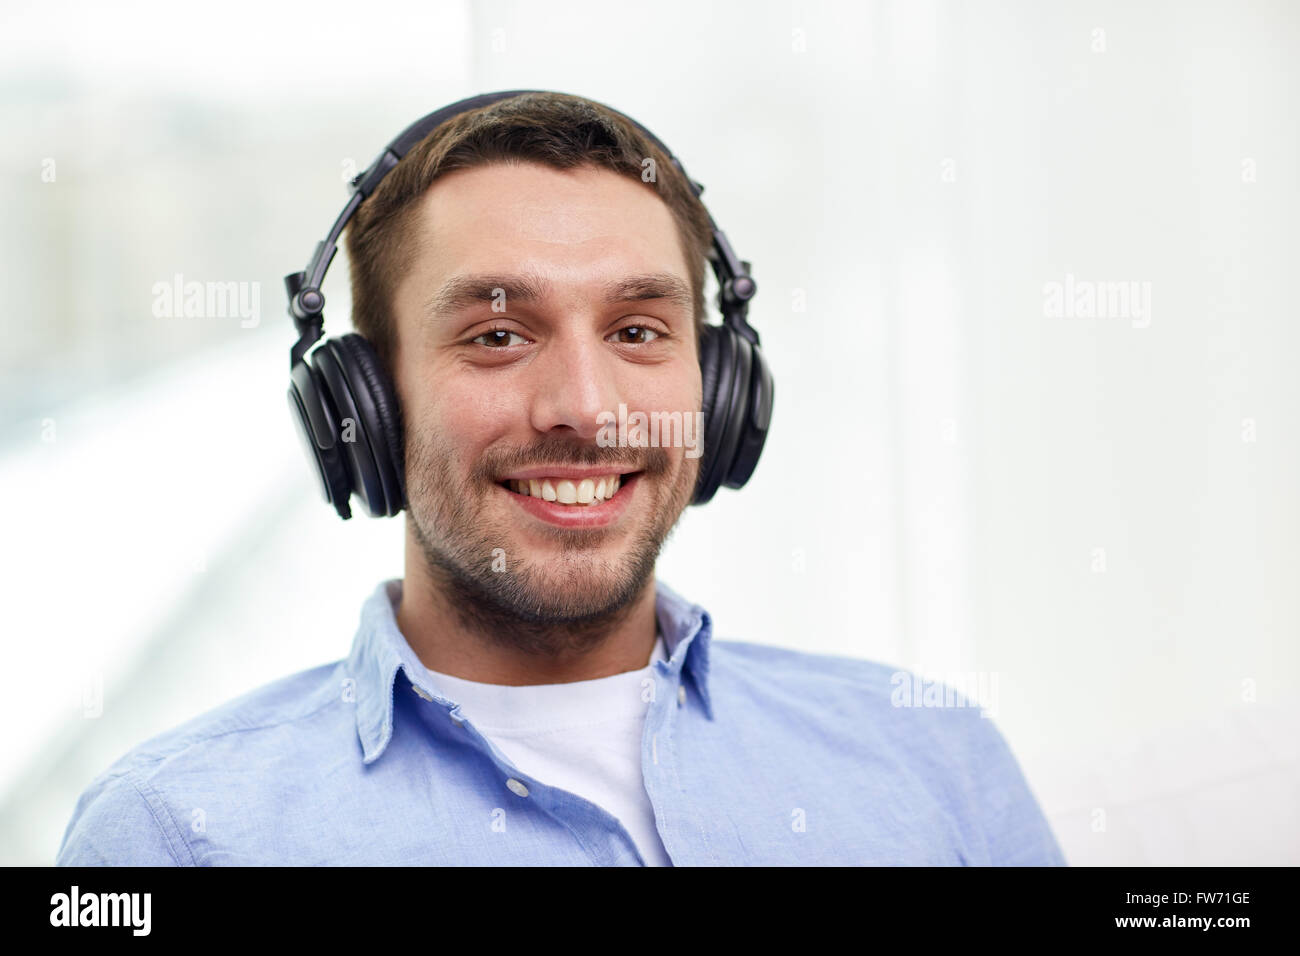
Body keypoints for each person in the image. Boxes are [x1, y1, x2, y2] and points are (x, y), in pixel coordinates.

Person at [56, 91, 1065, 866]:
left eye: (637, 330)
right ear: (363, 404)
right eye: (497, 334)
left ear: (718, 387)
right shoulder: (172, 834)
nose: (585, 405)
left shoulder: (933, 761)